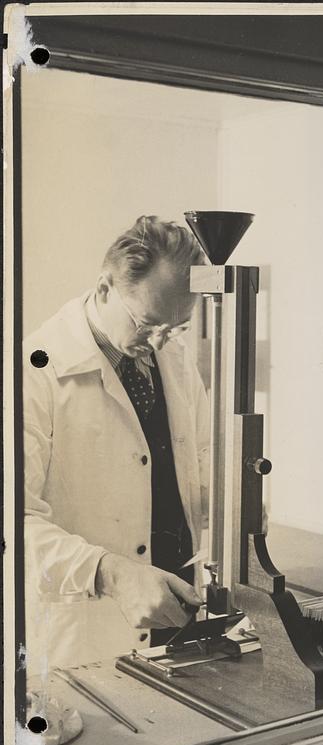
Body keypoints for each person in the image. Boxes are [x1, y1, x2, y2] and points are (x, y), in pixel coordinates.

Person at [23, 216, 211, 672]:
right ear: (105, 288)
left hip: (178, 615)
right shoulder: (33, 370)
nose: (160, 342)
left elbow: (200, 458)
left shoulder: (171, 351)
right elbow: (14, 522)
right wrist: (112, 572)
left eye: (178, 326)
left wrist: (231, 503)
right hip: (89, 631)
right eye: (148, 324)